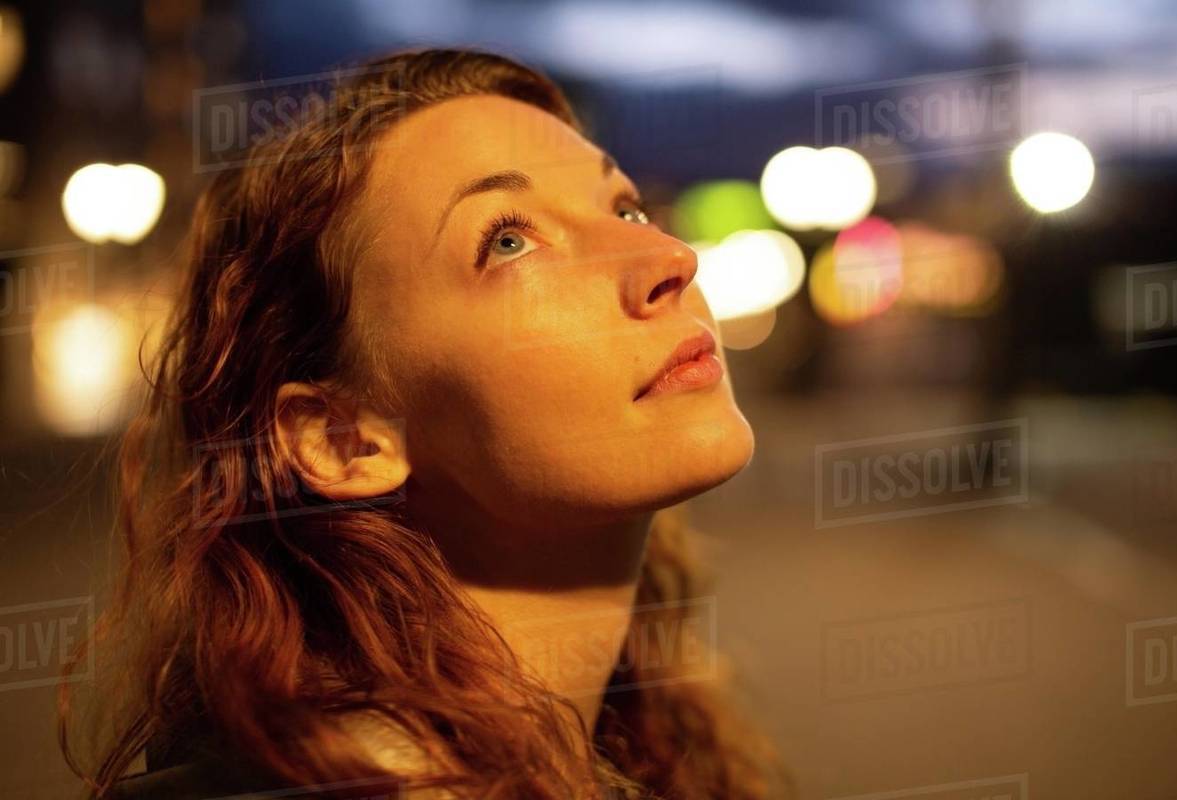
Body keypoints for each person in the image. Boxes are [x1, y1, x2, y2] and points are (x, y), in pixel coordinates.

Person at [59, 46, 778, 800]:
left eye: (625, 207)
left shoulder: (643, 762)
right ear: (343, 438)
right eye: (508, 240)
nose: (667, 255)